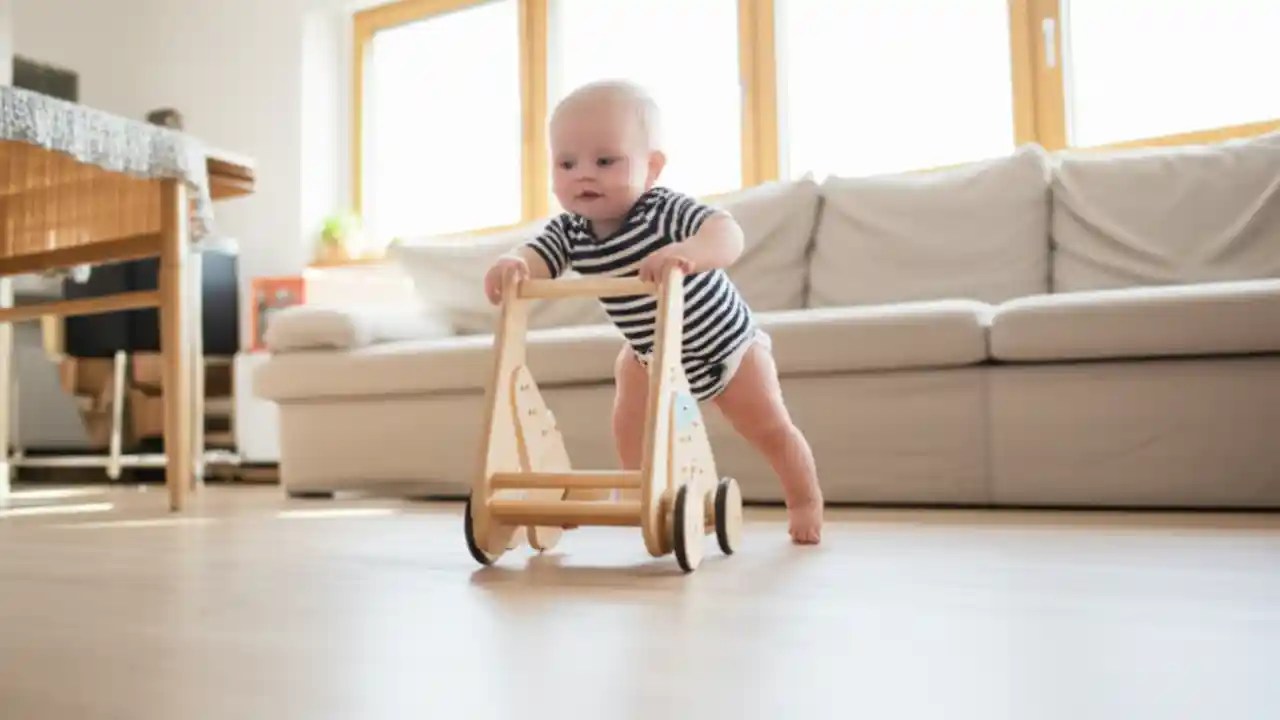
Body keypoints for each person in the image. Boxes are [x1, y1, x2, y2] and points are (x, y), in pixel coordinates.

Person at [483, 80, 822, 544]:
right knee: (628, 416)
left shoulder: (662, 211)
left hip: (726, 347)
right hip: (651, 351)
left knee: (768, 428)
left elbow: (728, 234)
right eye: (566, 163)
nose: (584, 175)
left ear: (652, 168)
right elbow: (538, 254)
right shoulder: (571, 230)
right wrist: (515, 264)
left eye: (605, 161)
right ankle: (642, 487)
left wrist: (690, 252)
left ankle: (804, 499)